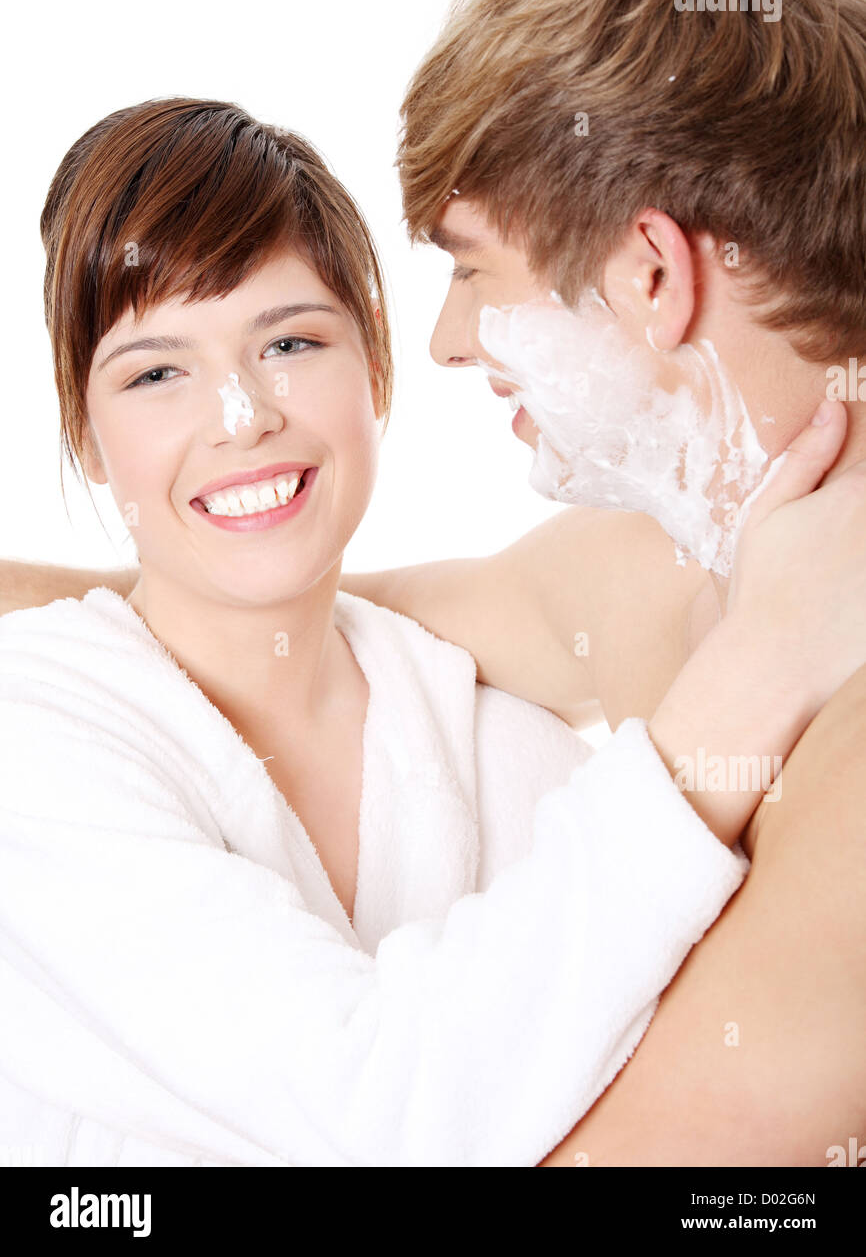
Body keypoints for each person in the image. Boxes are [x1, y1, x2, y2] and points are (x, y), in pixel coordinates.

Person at [2, 95, 865, 1170]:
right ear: (85, 435)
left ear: (374, 371)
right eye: (157, 371)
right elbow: (377, 1118)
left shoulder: (505, 752)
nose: (242, 417)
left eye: (288, 341)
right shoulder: (29, 744)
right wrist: (766, 655)